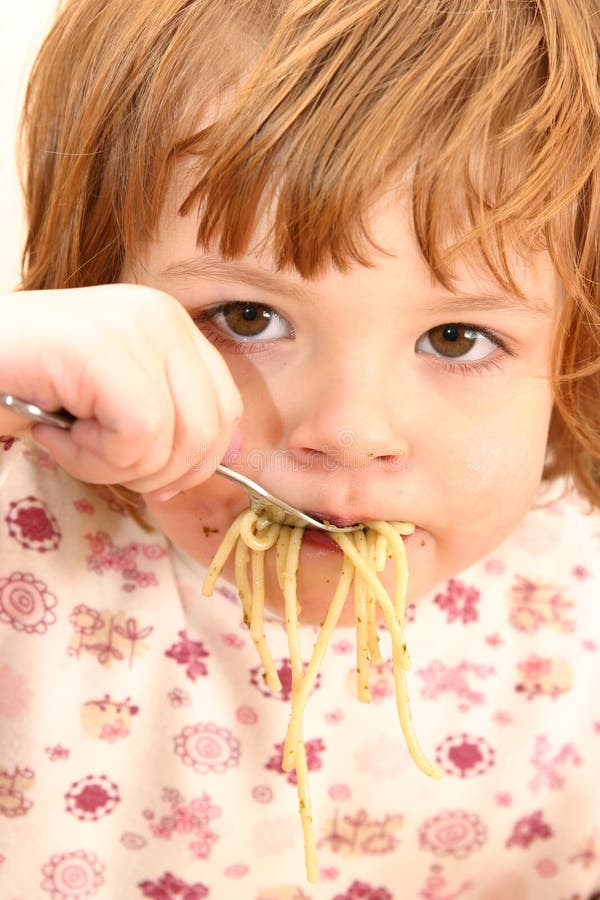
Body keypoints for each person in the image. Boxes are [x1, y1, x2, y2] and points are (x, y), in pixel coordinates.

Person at [0, 0, 599, 897]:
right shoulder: (28, 531)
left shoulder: (572, 605)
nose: (351, 433)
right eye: (247, 318)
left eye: (456, 339)